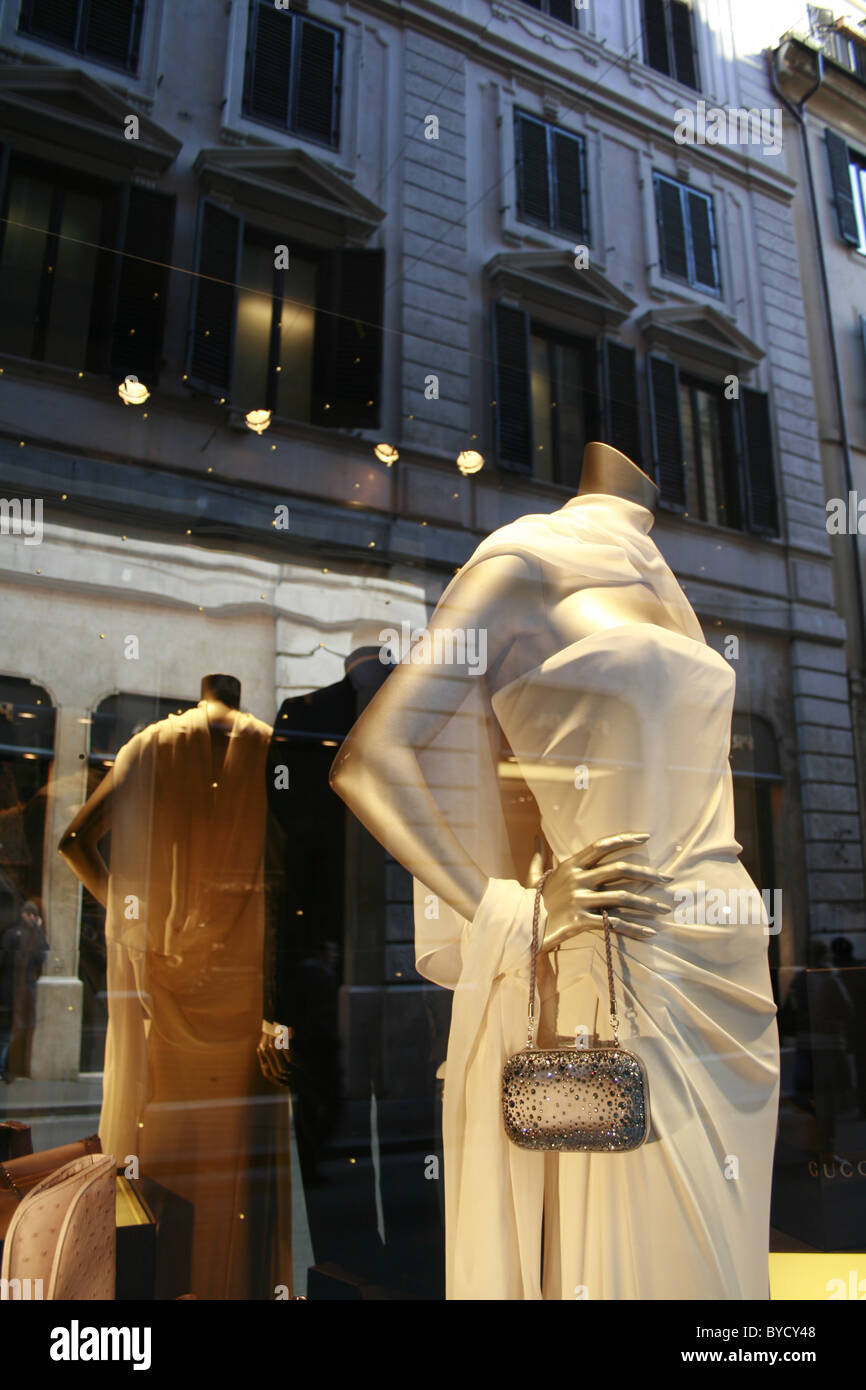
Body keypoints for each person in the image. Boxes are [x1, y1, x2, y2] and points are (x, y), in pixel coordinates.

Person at [330, 441, 781, 1300]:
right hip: (628, 963)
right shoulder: (525, 562)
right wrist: (517, 910)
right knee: (645, 1250)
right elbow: (370, 758)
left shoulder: (663, 581)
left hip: (730, 972)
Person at [0, 899, 48, 1080]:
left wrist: (38, 929)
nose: (32, 918)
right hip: (12, 989)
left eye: (35, 915)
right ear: (22, 914)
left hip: (25, 990)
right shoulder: (13, 934)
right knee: (9, 1031)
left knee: (20, 1030)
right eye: (29, 914)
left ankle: (9, 1068)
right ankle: (4, 1067)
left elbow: (42, 955)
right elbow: (5, 960)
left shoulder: (34, 935)